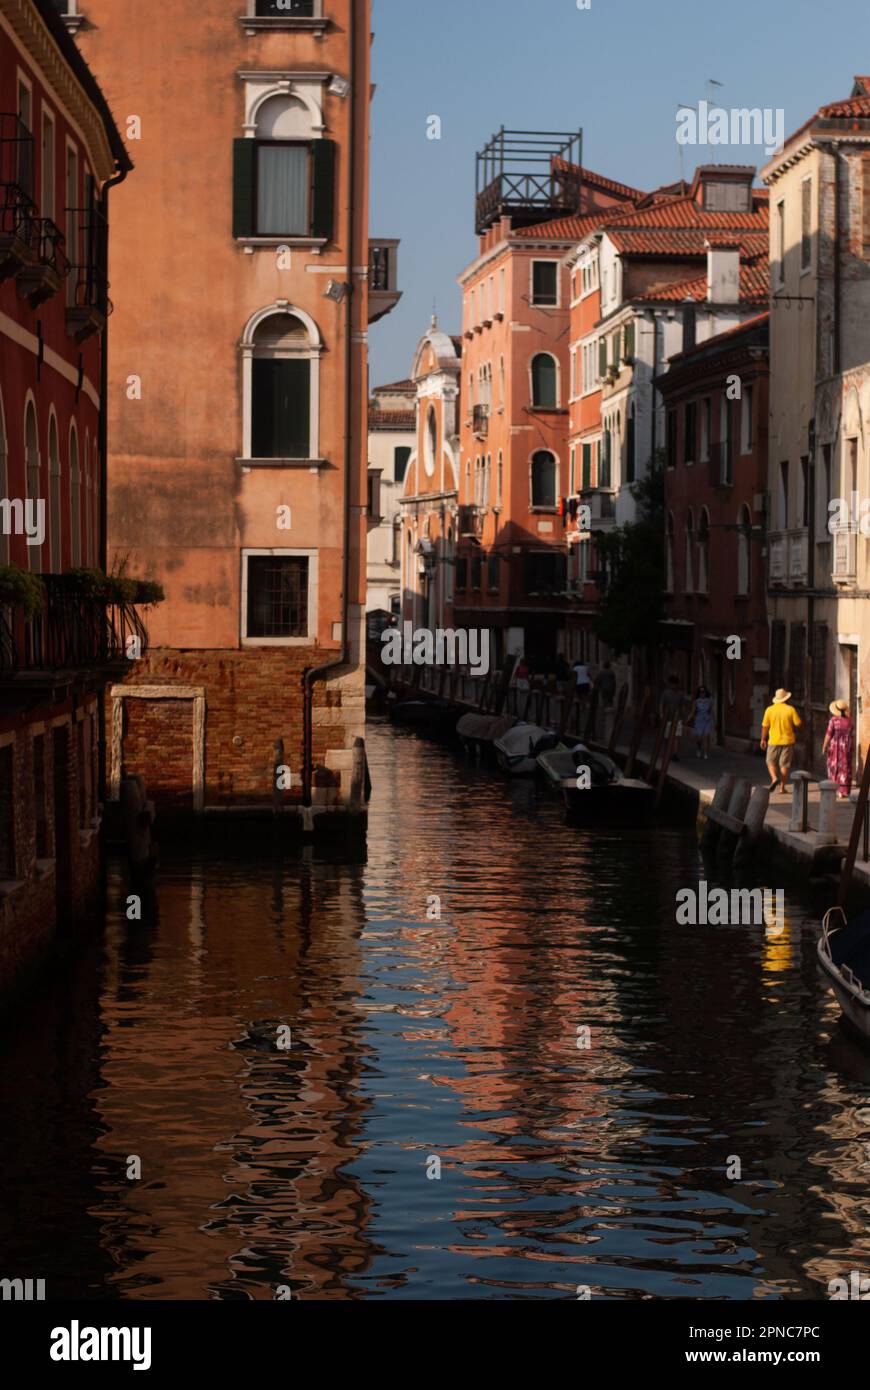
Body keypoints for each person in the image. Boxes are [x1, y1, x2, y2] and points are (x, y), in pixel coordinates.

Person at [760, 688, 801, 795]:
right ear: (786, 698)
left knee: (770, 761)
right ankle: (782, 788)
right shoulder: (790, 709)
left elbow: (765, 726)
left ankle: (774, 778)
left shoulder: (769, 710)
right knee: (784, 764)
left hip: (773, 740)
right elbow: (798, 723)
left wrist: (763, 739)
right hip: (788, 741)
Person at [822, 700, 854, 799]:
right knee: (845, 768)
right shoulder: (850, 721)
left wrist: (824, 747)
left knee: (834, 766)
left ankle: (836, 788)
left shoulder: (834, 720)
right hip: (847, 747)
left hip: (836, 747)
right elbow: (852, 735)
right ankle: (844, 790)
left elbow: (828, 735)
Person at [690, 685, 715, 760]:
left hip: (707, 720)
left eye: (703, 692)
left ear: (705, 692)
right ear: (699, 693)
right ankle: (699, 748)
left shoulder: (709, 701)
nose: (702, 693)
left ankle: (706, 753)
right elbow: (693, 712)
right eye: (700, 692)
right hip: (699, 720)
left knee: (706, 736)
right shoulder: (696, 701)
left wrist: (714, 721)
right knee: (699, 738)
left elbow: (711, 712)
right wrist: (688, 719)